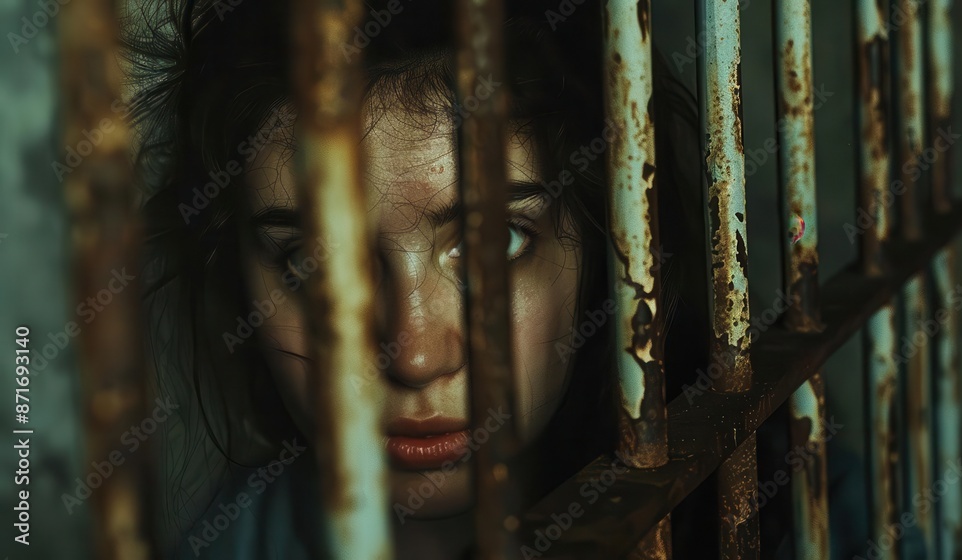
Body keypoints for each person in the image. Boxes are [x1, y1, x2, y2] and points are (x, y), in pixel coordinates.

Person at [125, 0, 714, 558]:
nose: (414, 356)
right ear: (240, 279)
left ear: (607, 249)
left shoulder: (763, 510)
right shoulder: (226, 544)